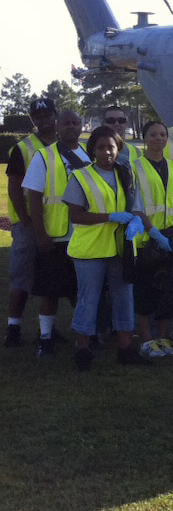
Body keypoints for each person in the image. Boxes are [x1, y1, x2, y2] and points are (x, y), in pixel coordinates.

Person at [63, 124, 152, 370]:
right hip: (90, 250)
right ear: (92, 150)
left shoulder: (126, 173)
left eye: (111, 147)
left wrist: (136, 220)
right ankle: (82, 351)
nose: (106, 153)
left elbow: (136, 207)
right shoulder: (80, 177)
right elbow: (76, 216)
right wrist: (109, 217)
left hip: (120, 247)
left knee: (124, 297)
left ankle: (125, 349)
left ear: (118, 149)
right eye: (100, 148)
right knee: (88, 299)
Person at [22, 110, 88, 357]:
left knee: (84, 290)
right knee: (49, 291)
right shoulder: (44, 156)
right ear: (58, 127)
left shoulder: (89, 154)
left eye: (75, 123)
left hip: (84, 235)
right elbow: (35, 198)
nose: (71, 127)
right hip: (56, 234)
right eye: (66, 123)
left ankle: (86, 334)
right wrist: (40, 234)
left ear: (81, 126)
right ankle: (46, 336)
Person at [131, 120, 173, 357]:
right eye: (153, 134)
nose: (158, 138)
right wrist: (153, 232)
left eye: (163, 134)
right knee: (146, 291)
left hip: (172, 236)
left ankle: (162, 338)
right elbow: (135, 204)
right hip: (148, 239)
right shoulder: (134, 167)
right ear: (145, 138)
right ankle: (147, 340)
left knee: (169, 289)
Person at [5, 97, 58, 349]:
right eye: (39, 116)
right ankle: (13, 328)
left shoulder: (66, 145)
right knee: (22, 277)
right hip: (27, 225)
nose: (44, 120)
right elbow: (15, 188)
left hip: (58, 223)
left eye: (48, 115)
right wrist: (25, 221)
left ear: (54, 116)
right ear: (33, 120)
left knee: (51, 279)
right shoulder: (23, 148)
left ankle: (48, 329)